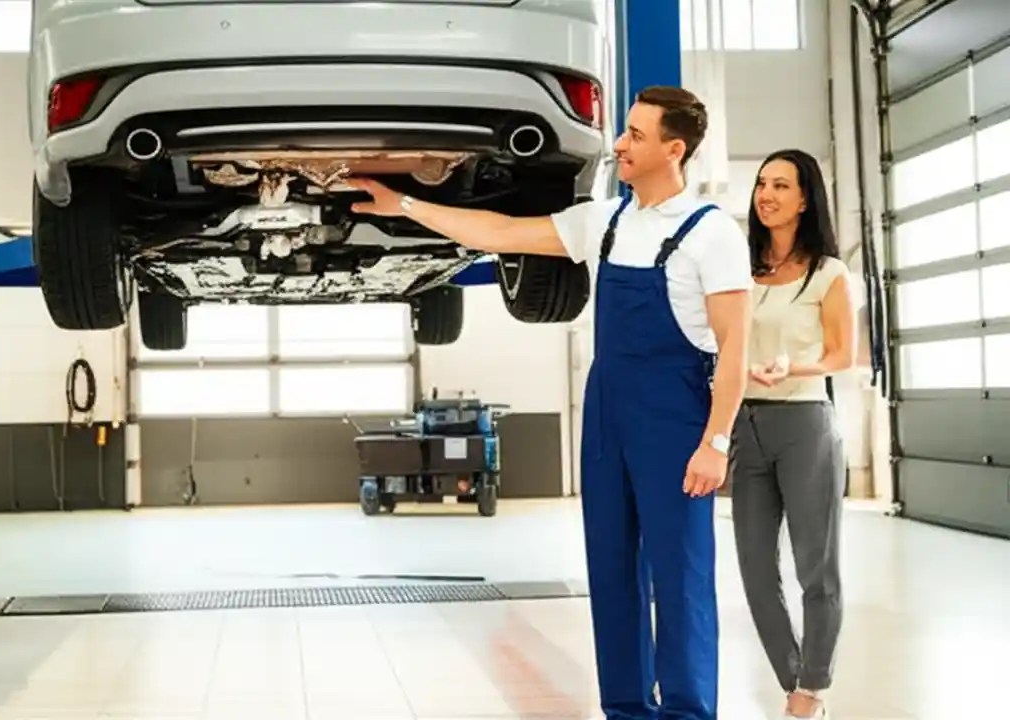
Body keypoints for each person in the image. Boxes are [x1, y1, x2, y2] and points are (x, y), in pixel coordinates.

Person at [347, 85, 752, 720]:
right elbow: (499, 231)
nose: (619, 143)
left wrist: (716, 441)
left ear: (675, 150)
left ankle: (687, 711)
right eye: (624, 130)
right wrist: (400, 202)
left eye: (636, 136)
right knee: (612, 570)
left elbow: (735, 350)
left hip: (674, 416)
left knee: (681, 578)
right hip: (607, 410)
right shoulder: (605, 221)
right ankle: (625, 708)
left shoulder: (712, 233)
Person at [730, 148, 854, 720]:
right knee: (755, 569)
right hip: (744, 425)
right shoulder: (740, 267)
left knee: (815, 569)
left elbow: (841, 355)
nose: (767, 194)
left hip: (805, 422)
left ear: (805, 199)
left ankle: (812, 692)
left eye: (781, 185)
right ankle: (791, 679)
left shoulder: (829, 272)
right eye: (761, 184)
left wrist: (790, 367)